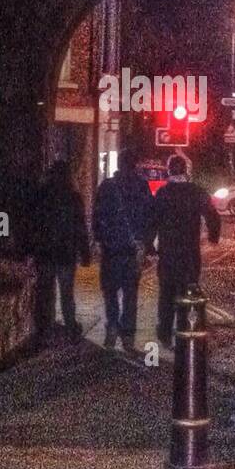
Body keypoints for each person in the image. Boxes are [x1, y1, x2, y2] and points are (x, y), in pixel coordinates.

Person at [149, 153, 221, 346]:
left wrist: (149, 245)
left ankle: (164, 331)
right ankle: (183, 329)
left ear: (169, 170)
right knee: (187, 291)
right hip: (189, 253)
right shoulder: (196, 192)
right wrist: (214, 235)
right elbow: (213, 216)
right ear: (186, 171)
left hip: (168, 252)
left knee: (166, 293)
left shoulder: (163, 193)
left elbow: (152, 221)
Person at [92, 150, 154, 351]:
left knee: (110, 291)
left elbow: (97, 216)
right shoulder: (142, 186)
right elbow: (149, 216)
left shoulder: (107, 186)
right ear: (135, 164)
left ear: (119, 163)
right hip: (132, 249)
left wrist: (100, 239)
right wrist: (145, 242)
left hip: (111, 248)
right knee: (130, 294)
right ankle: (128, 335)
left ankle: (112, 327)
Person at [30, 158, 91, 344]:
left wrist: (31, 248)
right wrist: (84, 252)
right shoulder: (73, 197)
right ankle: (71, 327)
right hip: (65, 253)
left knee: (44, 291)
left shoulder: (41, 195)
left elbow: (34, 224)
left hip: (46, 252)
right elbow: (80, 227)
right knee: (66, 293)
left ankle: (43, 329)